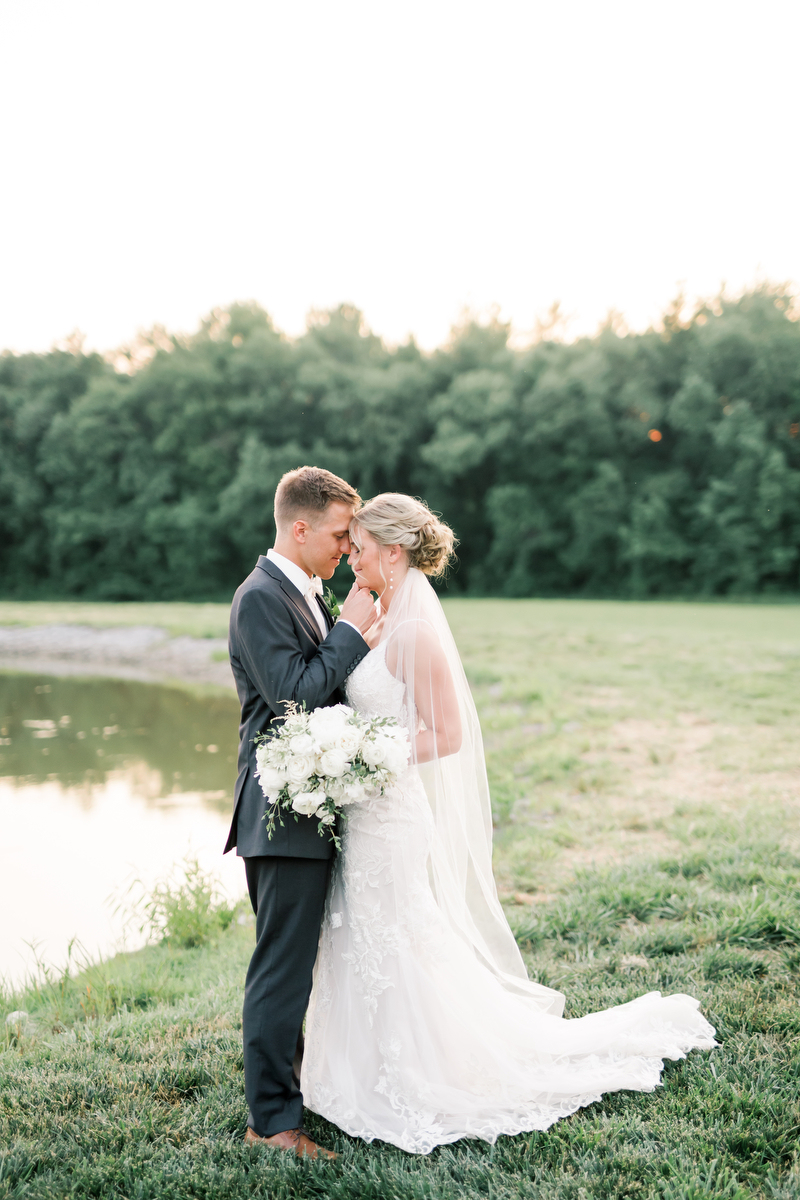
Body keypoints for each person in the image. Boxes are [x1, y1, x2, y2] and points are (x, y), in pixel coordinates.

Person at [301, 492, 716, 1155]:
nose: (351, 552)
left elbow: (448, 733)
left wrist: (364, 762)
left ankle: (420, 1069)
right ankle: (358, 1064)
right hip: (368, 810)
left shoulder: (414, 632)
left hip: (388, 809)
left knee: (396, 932)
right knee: (367, 931)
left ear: (394, 551)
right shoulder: (379, 620)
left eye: (361, 544)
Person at [225, 466, 377, 1161]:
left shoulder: (304, 593)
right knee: (281, 969)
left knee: (297, 965)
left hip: (309, 807)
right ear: (301, 527)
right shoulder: (260, 596)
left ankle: (297, 1090)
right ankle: (273, 1122)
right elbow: (293, 696)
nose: (347, 548)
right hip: (282, 814)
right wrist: (350, 630)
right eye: (341, 534)